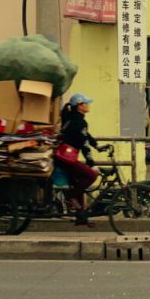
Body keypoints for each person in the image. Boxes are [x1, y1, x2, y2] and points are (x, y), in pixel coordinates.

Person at [59, 93, 101, 225]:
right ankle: (71, 197)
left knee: (79, 182)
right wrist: (92, 164)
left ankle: (81, 215)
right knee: (91, 176)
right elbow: (84, 144)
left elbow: (86, 135)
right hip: (67, 158)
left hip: (63, 157)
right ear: (79, 106)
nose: (88, 105)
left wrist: (97, 146)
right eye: (85, 103)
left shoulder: (73, 119)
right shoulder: (79, 121)